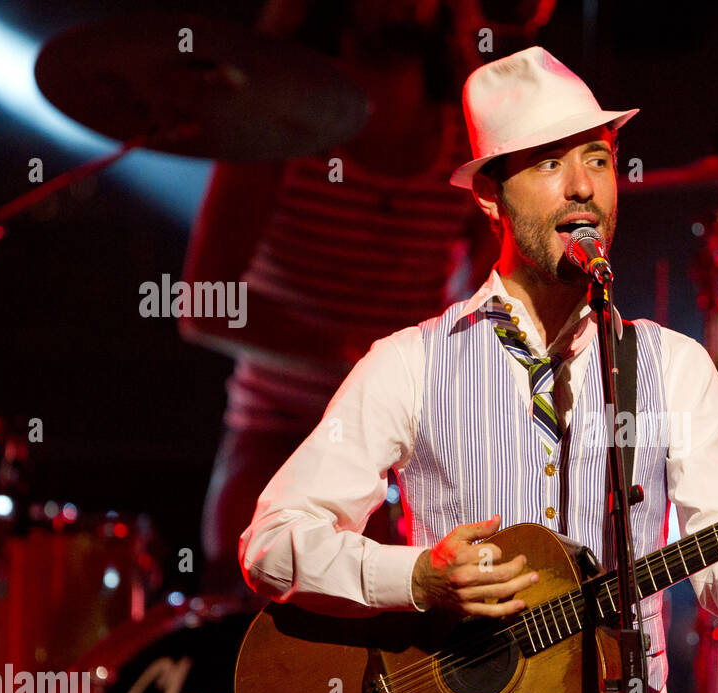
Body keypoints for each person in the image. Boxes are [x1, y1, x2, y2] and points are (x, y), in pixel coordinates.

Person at [239, 45, 718, 693]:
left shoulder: (671, 368)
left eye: (598, 158)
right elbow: (269, 544)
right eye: (550, 163)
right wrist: (415, 577)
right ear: (488, 195)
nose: (584, 185)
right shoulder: (412, 362)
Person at [181, 0, 493, 596]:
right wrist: (359, 357)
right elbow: (204, 303)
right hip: (279, 430)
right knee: (262, 578)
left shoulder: (464, 135)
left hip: (401, 446)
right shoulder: (278, 123)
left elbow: (493, 290)